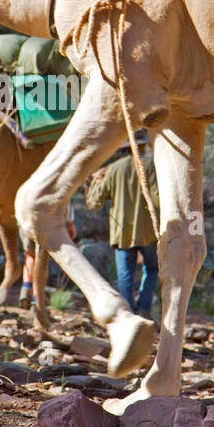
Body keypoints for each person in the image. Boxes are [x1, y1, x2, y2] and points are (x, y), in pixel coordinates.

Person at [86, 134, 159, 316]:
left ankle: (128, 314)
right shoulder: (150, 167)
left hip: (122, 233)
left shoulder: (113, 169)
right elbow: (158, 200)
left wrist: (96, 181)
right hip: (147, 232)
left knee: (125, 276)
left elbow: (95, 202)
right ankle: (144, 308)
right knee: (152, 268)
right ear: (143, 147)